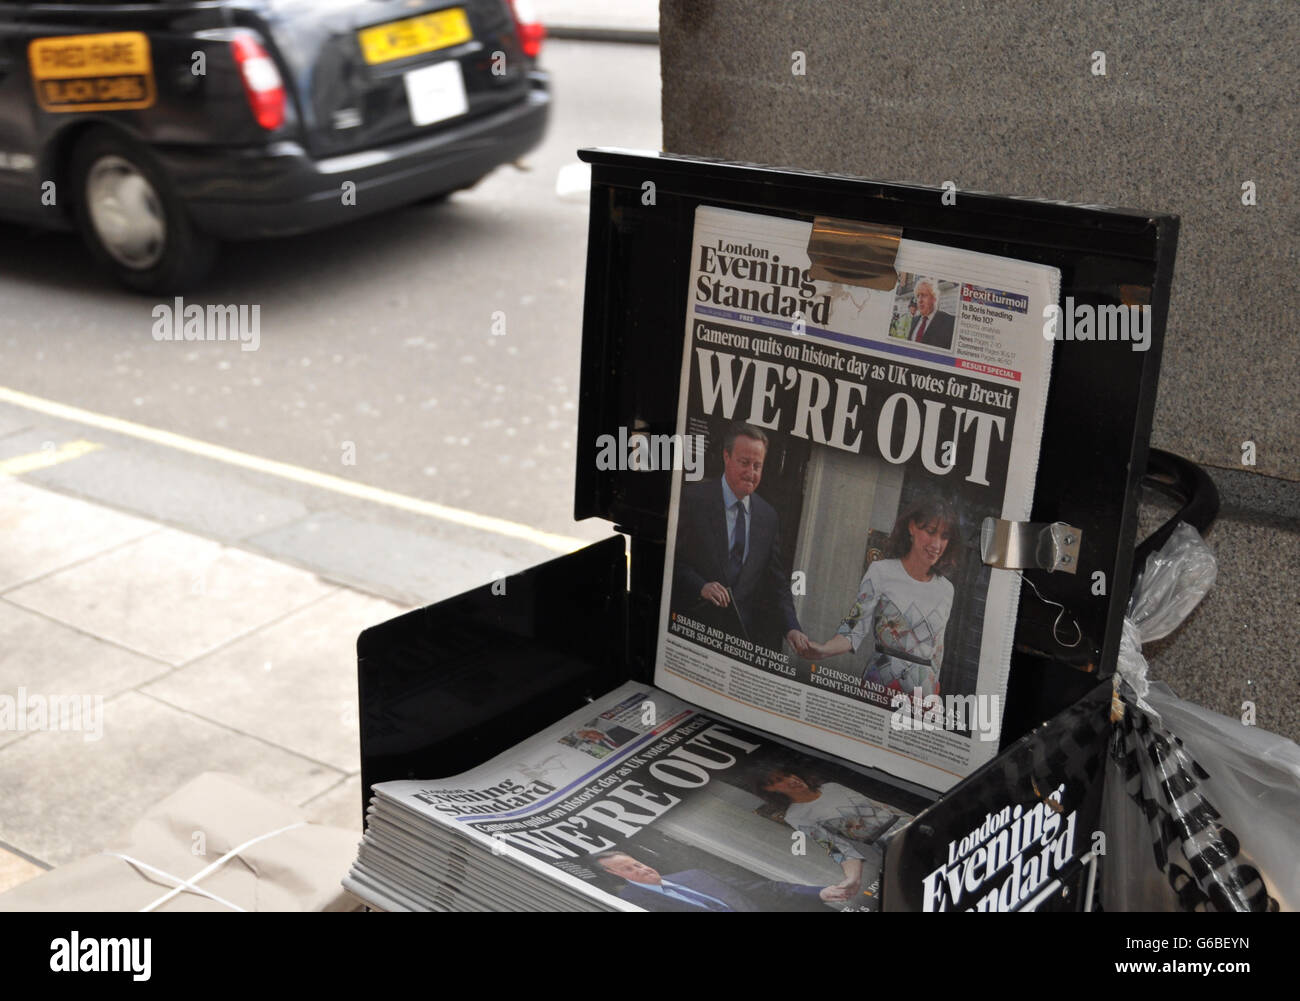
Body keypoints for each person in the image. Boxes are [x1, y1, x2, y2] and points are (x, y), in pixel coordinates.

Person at [671, 422, 811, 655]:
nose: (751, 473)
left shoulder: (768, 517)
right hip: (691, 632)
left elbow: (777, 583)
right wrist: (701, 586)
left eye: (758, 466)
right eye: (744, 463)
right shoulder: (693, 499)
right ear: (726, 457)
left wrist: (792, 628)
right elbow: (671, 561)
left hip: (739, 641)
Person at [803, 495, 958, 696]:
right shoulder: (880, 572)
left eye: (944, 536)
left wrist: (933, 693)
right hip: (879, 685)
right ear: (912, 527)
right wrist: (824, 649)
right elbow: (854, 627)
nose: (937, 544)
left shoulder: (947, 589)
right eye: (930, 532)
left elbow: (938, 651)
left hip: (923, 694)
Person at [756, 769, 904, 898]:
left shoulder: (831, 787)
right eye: (779, 780)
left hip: (907, 820)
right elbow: (837, 848)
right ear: (770, 789)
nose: (792, 780)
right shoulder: (796, 815)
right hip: (891, 843)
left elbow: (879, 805)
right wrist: (853, 878)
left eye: (788, 774)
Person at [593, 851, 848, 912]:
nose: (643, 868)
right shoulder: (629, 903)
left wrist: (820, 893)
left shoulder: (692, 875)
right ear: (615, 875)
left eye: (637, 862)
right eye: (629, 868)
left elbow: (764, 890)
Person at [910, 278, 955, 350]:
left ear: (934, 298)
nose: (920, 300)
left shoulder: (950, 322)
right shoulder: (914, 320)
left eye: (924, 295)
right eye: (918, 296)